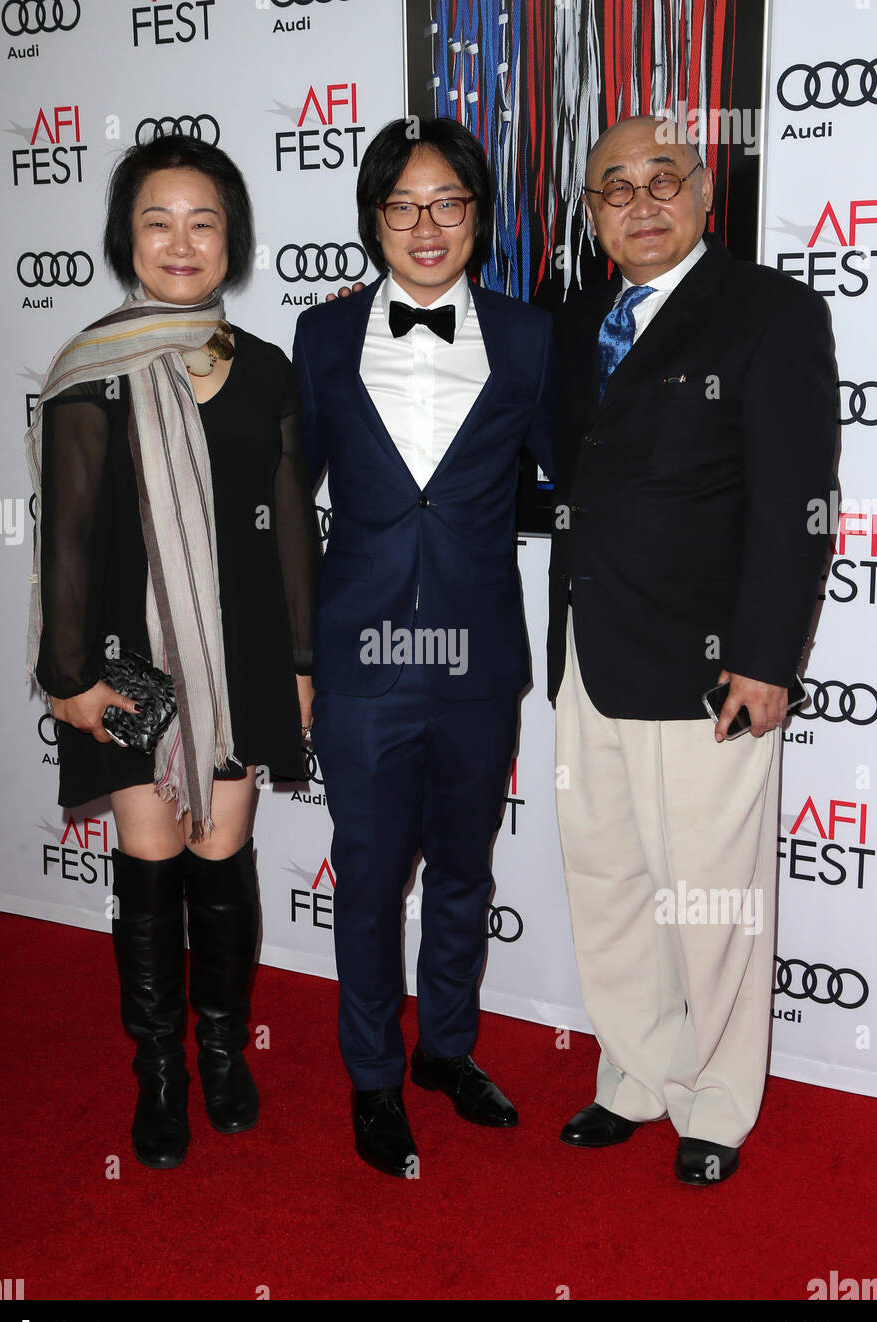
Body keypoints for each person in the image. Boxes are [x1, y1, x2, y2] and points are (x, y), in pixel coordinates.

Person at [548, 116, 836, 1184]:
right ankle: (632, 1072)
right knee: (608, 880)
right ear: (590, 216)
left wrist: (766, 656)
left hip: (708, 664)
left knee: (708, 898)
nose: (638, 200)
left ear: (704, 191)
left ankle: (715, 1100)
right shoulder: (578, 324)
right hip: (588, 652)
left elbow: (795, 502)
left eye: (659, 177)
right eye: (611, 187)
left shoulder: (768, 313)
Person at [26, 134, 320, 1169]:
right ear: (126, 238)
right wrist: (69, 677)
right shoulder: (87, 372)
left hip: (240, 665)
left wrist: (299, 660)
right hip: (125, 663)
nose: (181, 241)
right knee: (149, 866)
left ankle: (223, 1052)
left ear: (229, 238)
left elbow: (291, 524)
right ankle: (157, 1072)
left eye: (204, 221)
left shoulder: (267, 370)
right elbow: (63, 534)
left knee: (221, 859)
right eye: (159, 221)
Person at [292, 117, 557, 1176]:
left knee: (461, 866)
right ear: (371, 221)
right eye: (401, 204)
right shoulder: (321, 338)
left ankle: (446, 1051)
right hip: (357, 662)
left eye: (447, 201)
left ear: (476, 215)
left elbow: (583, 475)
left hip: (476, 657)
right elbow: (281, 497)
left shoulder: (529, 336)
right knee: (365, 876)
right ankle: (371, 1077)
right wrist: (293, 654)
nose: (425, 223)